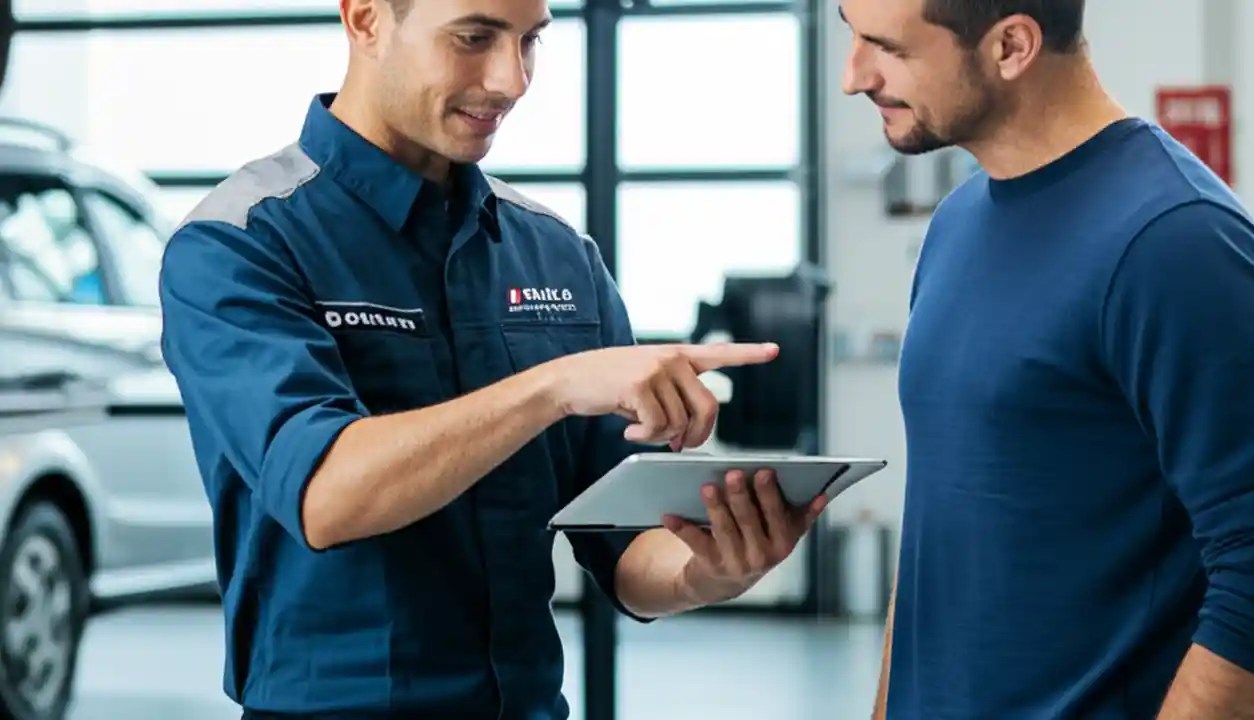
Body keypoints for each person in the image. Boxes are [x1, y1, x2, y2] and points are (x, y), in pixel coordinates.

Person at [157, 0, 828, 717]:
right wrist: (556, 386)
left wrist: (712, 570)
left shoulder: (558, 255)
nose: (511, 79)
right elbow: (327, 495)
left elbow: (627, 552)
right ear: (365, 20)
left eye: (530, 41)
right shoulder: (240, 244)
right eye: (474, 38)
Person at [835, 0, 1254, 718]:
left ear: (1011, 45)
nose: (852, 76)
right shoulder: (956, 225)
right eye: (847, 35)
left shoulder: (1177, 241)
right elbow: (940, 535)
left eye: (889, 48)